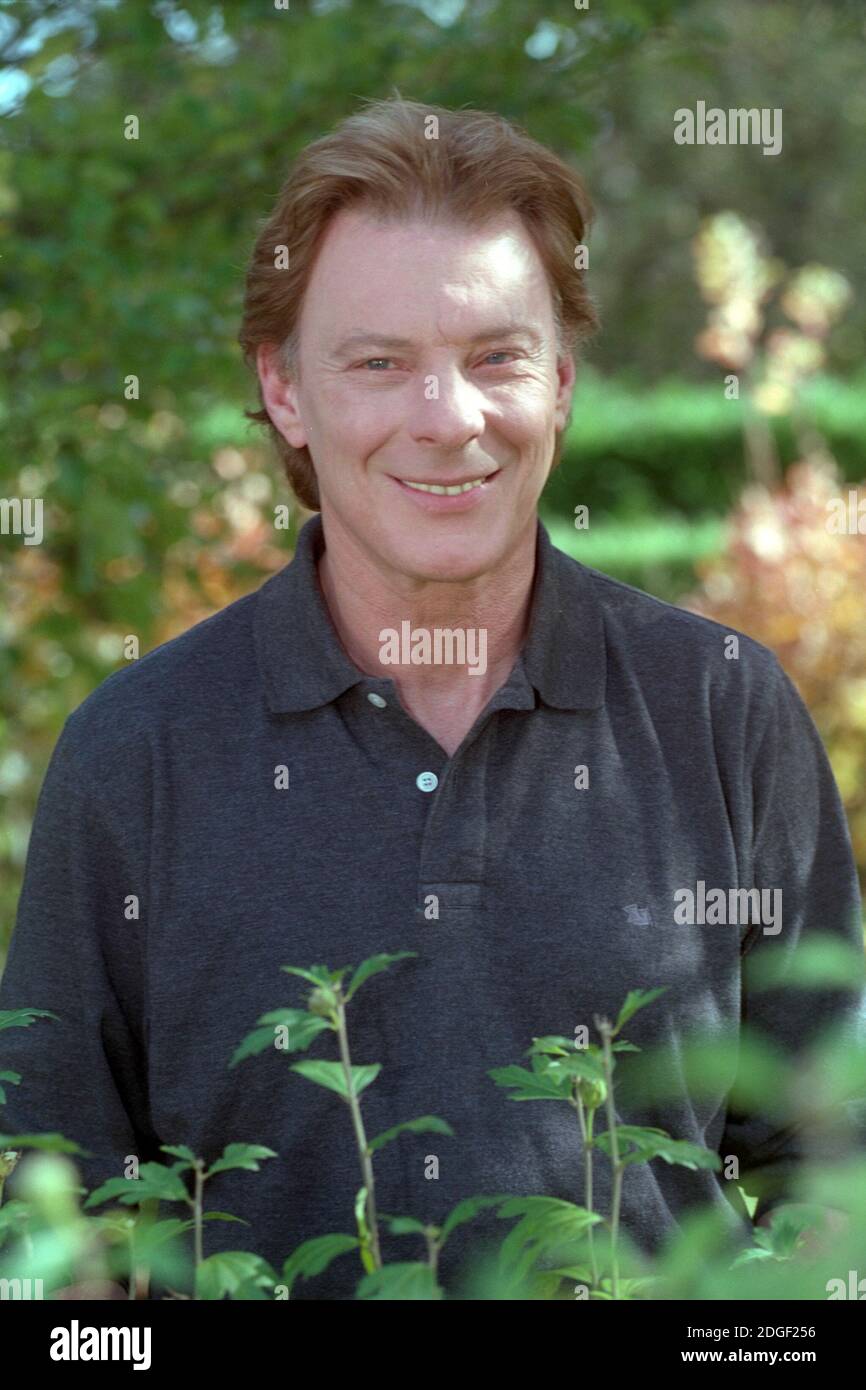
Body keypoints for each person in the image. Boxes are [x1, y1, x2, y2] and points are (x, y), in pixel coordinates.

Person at [1, 97, 863, 1300]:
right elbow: (61, 1216)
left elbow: (831, 1160)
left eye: (495, 357)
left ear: (559, 383)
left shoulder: (721, 711)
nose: (446, 419)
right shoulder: (133, 752)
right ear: (286, 390)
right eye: (378, 362)